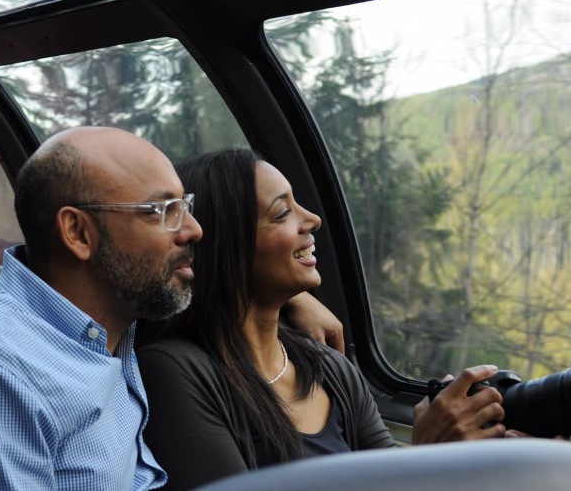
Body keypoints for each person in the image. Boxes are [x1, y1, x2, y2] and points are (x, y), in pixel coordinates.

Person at [0, 127, 341, 489]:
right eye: (165, 211)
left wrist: (292, 298)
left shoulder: (111, 325)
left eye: (187, 206)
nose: (195, 230)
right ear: (78, 233)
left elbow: (218, 282)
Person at [136, 148, 507, 490]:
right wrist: (427, 457)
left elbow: (388, 477)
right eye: (283, 212)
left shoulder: (328, 366)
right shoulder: (172, 371)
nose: (313, 220)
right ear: (226, 244)